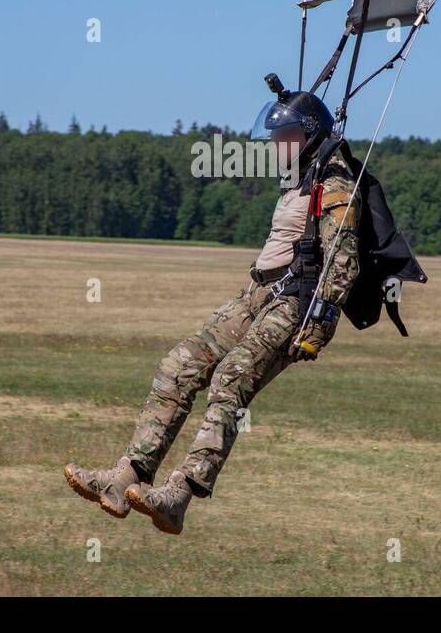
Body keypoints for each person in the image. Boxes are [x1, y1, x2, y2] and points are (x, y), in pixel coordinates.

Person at [64, 83, 360, 534]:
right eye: (276, 141)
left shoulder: (334, 179)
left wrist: (321, 320)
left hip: (296, 302)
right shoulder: (300, 171)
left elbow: (344, 256)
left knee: (231, 378)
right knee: (179, 366)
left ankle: (180, 493)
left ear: (312, 135)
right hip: (258, 293)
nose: (278, 149)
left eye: (286, 140)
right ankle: (125, 477)